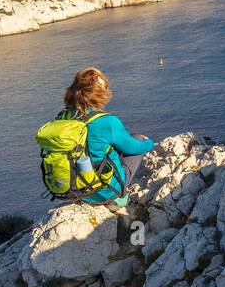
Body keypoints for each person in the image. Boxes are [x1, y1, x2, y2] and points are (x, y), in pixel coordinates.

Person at [60, 67, 154, 208]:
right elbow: (134, 148)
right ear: (100, 94)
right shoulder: (107, 122)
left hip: (74, 190)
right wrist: (149, 143)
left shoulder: (63, 118)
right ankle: (117, 198)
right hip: (104, 191)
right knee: (137, 139)